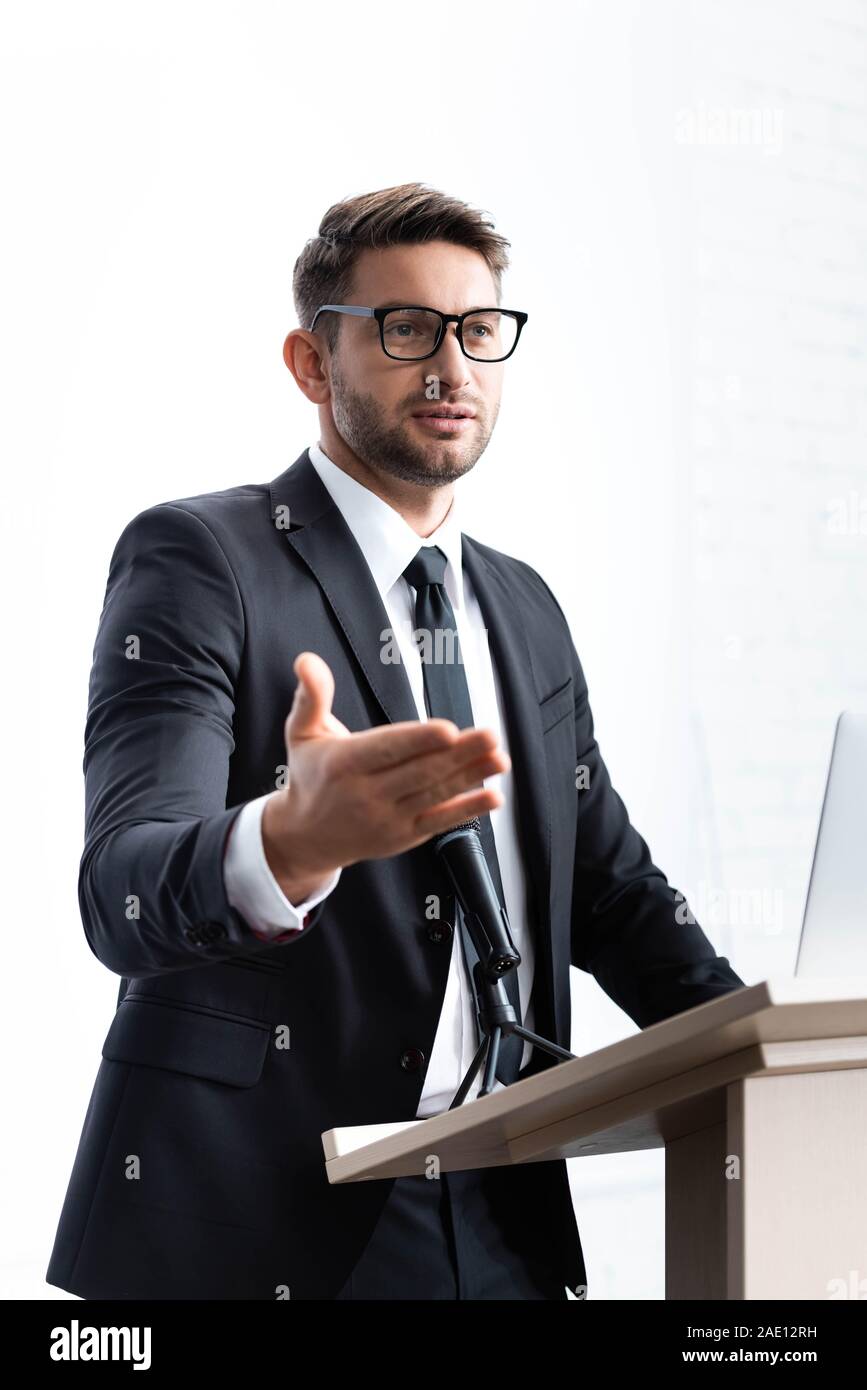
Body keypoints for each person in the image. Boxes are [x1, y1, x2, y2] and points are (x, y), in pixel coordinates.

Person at [46, 182, 745, 1301]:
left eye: (480, 330)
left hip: (504, 1192)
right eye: (407, 328)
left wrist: (779, 1048)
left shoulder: (525, 608)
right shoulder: (199, 559)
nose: (454, 366)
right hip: (260, 1211)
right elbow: (119, 887)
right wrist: (284, 844)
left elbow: (608, 890)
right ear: (312, 364)